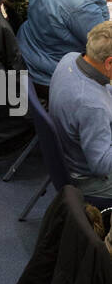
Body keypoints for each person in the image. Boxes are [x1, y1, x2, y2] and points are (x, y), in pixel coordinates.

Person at [48, 23, 112, 197]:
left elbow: (100, 90)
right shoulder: (92, 106)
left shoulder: (70, 59)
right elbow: (102, 164)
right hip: (90, 181)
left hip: (70, 153)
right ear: (109, 63)